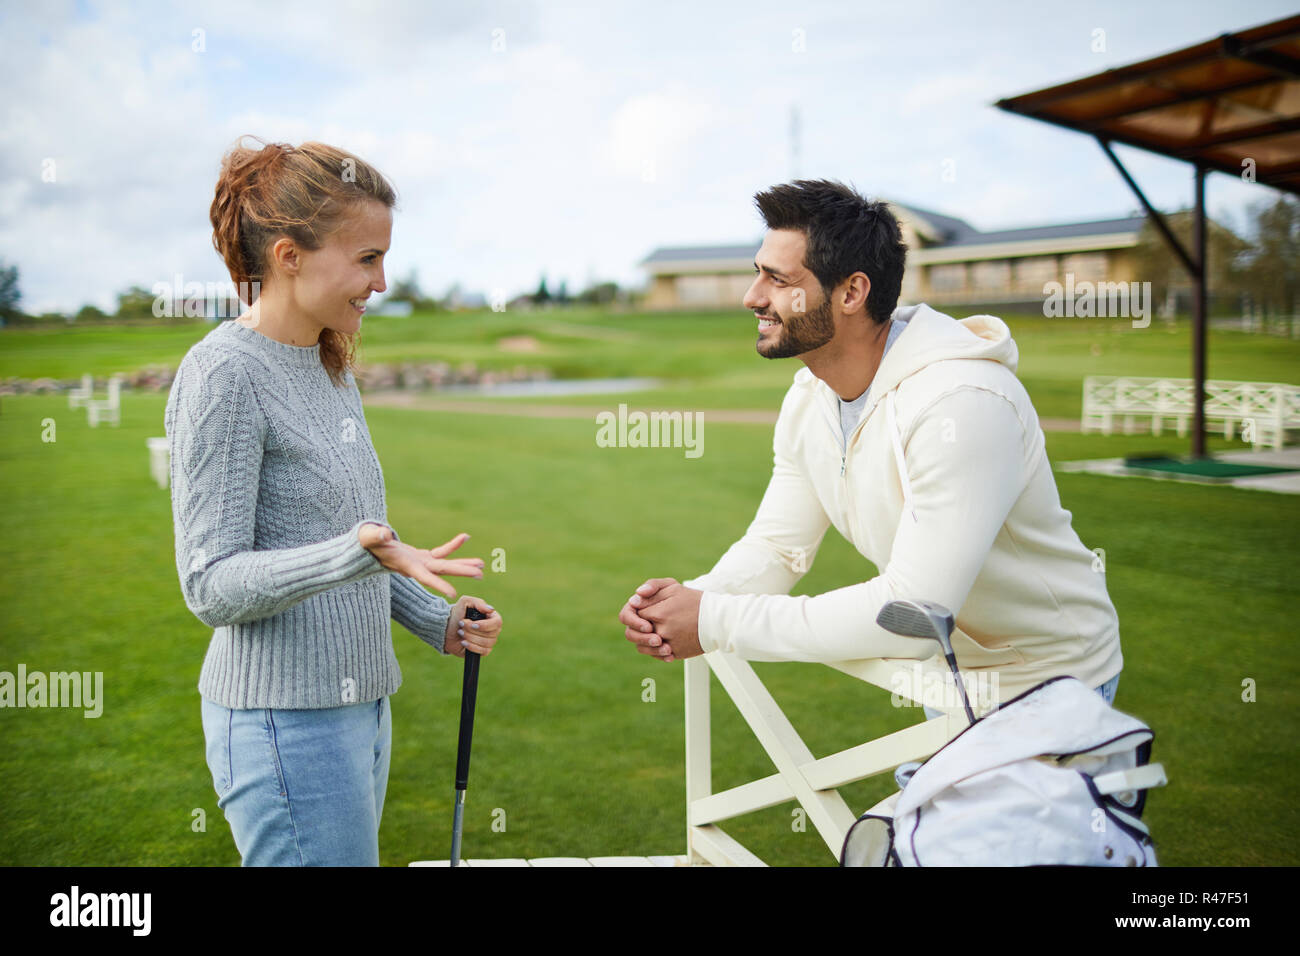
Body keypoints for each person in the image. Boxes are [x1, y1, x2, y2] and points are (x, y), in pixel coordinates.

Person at [618, 179, 1121, 722]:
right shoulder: (809, 396)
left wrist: (715, 619)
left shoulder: (962, 403)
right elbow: (778, 548)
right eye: (757, 272)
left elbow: (913, 613)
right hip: (949, 683)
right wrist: (686, 602)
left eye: (777, 279)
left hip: (1050, 687)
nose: (752, 296)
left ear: (852, 293)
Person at [166, 137, 503, 866]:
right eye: (367, 259)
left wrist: (435, 621)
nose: (380, 282)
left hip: (359, 707)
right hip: (283, 724)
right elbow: (209, 584)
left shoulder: (328, 363)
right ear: (289, 256)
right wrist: (350, 551)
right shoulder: (224, 374)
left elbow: (354, 545)